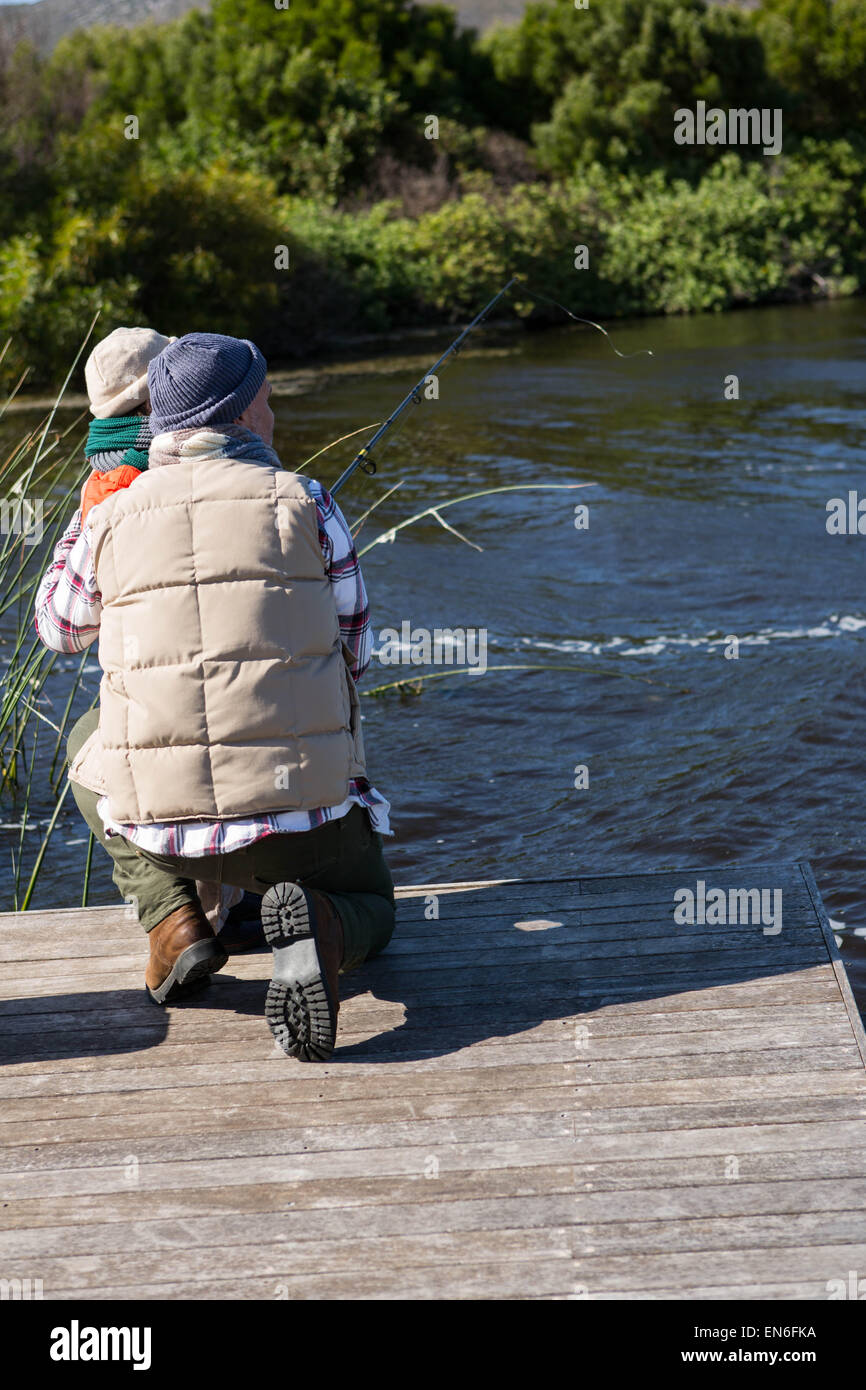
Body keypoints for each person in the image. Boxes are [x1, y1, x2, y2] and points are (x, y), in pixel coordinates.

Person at [35, 332, 395, 1062]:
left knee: (83, 742)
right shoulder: (310, 500)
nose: (272, 415)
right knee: (375, 911)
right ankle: (322, 921)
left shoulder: (109, 516)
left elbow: (57, 628)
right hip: (303, 830)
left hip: (166, 830)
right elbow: (353, 654)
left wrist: (90, 516)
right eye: (266, 401)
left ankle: (174, 920)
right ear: (241, 415)